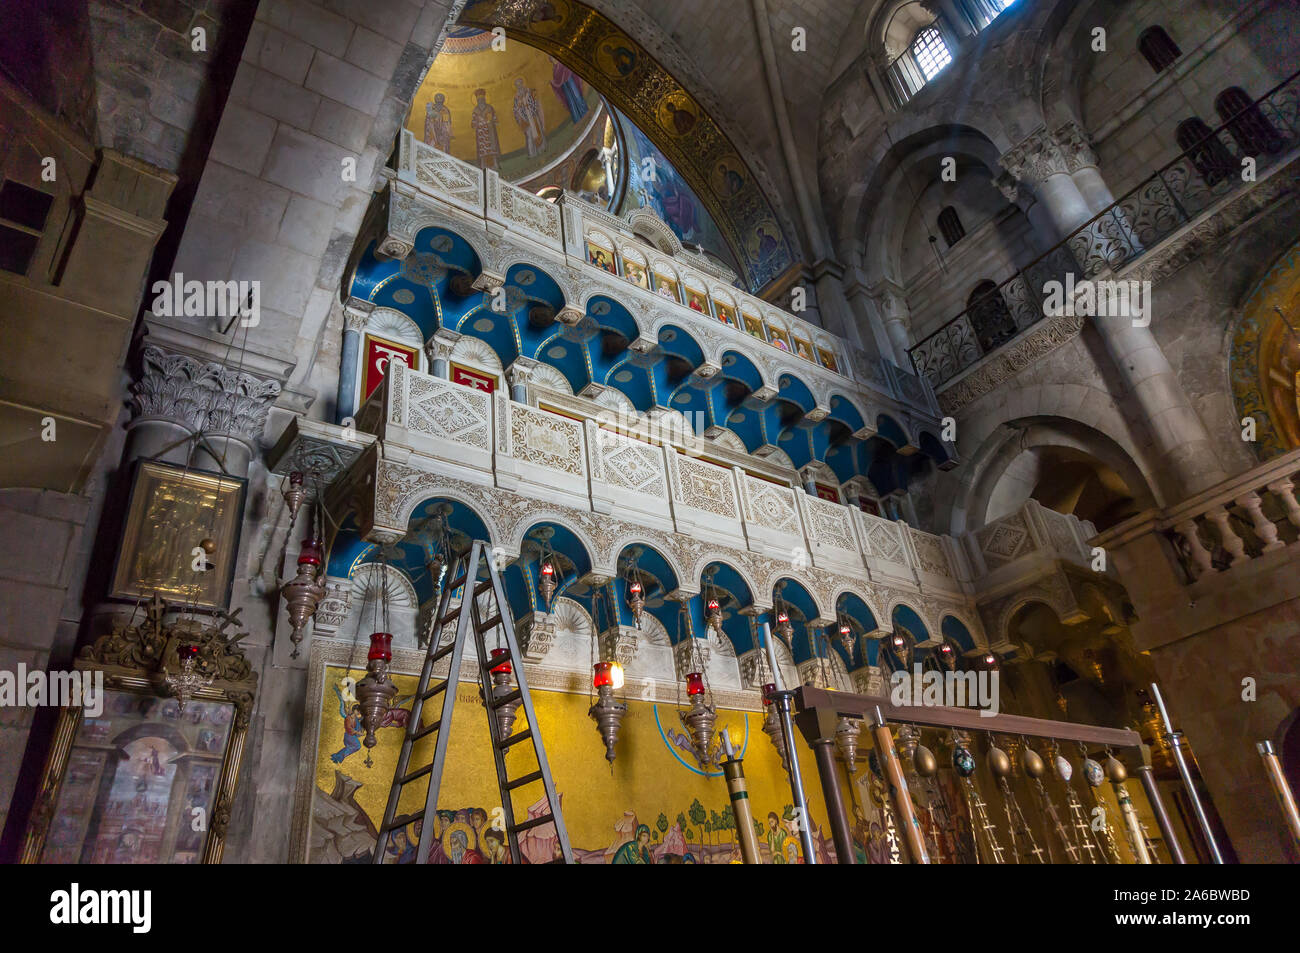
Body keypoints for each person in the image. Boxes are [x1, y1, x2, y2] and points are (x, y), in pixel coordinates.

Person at [512, 78, 546, 158]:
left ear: (522, 84)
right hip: (525, 119)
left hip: (533, 115)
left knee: (538, 131)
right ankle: (532, 153)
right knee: (529, 136)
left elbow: (535, 101)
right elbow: (515, 109)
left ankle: (541, 148)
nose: (519, 86)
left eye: (520, 84)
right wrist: (519, 108)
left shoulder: (529, 92)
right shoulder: (516, 98)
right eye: (517, 85)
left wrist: (533, 109)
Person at [470, 88, 500, 170]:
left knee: (492, 148)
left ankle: (495, 165)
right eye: (479, 99)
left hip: (490, 131)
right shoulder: (475, 110)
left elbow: (494, 118)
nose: (481, 101)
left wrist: (491, 120)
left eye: (482, 99)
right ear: (477, 100)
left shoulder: (489, 107)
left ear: (485, 99)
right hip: (481, 134)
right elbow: (473, 122)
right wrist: (476, 122)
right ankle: (484, 167)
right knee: (483, 150)